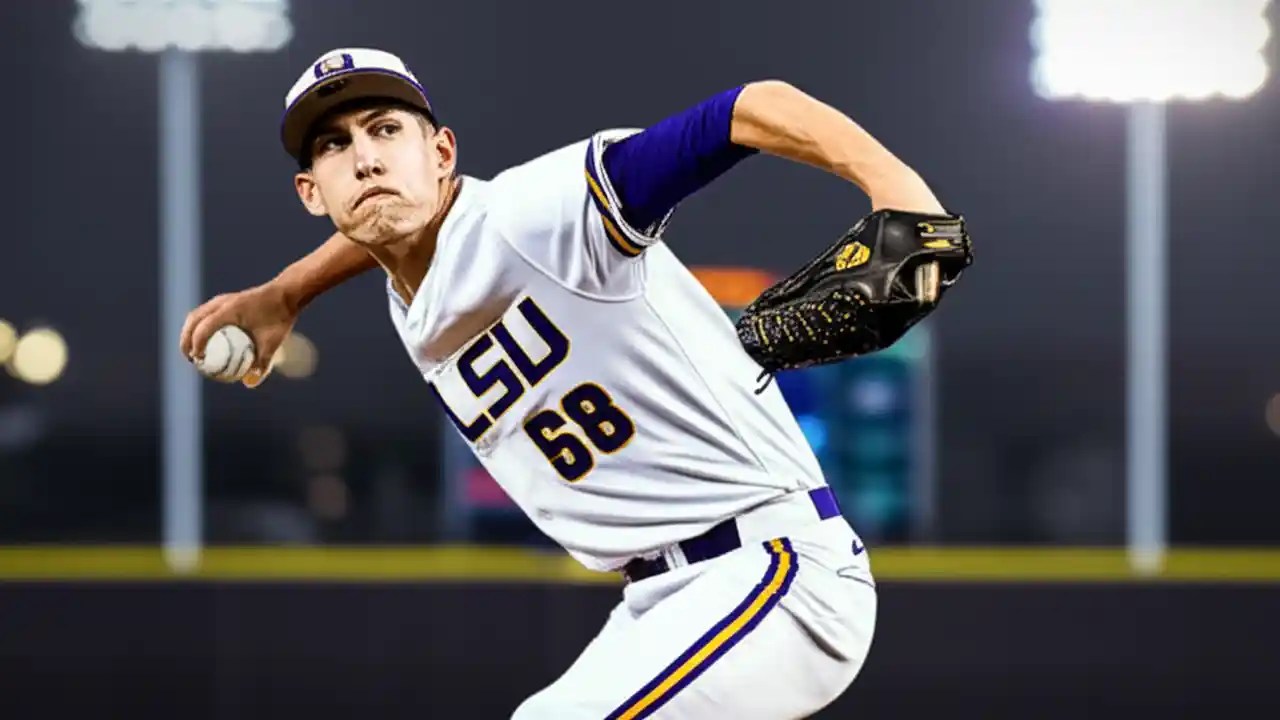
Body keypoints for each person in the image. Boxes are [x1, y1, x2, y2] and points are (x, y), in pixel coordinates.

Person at [181, 47, 949, 719]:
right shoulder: (414, 285)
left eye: (387, 130)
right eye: (334, 146)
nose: (367, 159)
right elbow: (386, 229)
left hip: (775, 572)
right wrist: (285, 293)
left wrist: (898, 187)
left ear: (442, 153)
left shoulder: (536, 212)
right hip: (659, 600)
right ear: (313, 193)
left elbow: (748, 109)